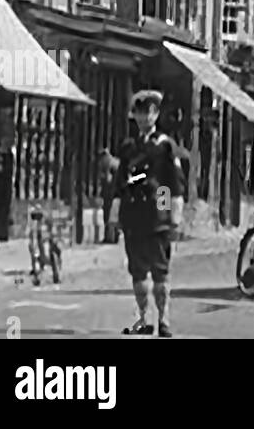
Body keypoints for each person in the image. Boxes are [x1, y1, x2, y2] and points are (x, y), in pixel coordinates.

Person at [109, 90, 184, 337]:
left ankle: (163, 319)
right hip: (133, 216)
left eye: (149, 113)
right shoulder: (129, 146)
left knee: (160, 271)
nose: (144, 118)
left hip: (157, 216)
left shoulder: (164, 146)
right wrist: (115, 214)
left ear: (156, 115)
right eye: (140, 113)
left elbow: (172, 183)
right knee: (138, 271)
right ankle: (142, 318)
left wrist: (172, 216)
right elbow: (120, 183)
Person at [98, 148, 120, 243]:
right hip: (119, 193)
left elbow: (108, 179)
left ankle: (109, 237)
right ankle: (115, 236)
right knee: (115, 215)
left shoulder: (107, 163)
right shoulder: (116, 162)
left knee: (108, 215)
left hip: (110, 194)